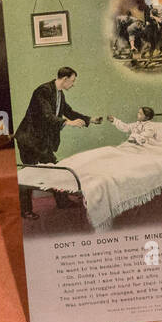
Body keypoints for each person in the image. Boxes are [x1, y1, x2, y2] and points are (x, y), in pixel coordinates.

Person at [14, 67, 98, 217]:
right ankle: (25, 211)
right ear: (64, 79)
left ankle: (62, 201)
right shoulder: (43, 91)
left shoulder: (59, 93)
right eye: (72, 81)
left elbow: (69, 112)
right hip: (29, 139)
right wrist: (68, 123)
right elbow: (46, 115)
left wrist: (89, 119)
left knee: (54, 169)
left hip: (42, 141)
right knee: (28, 173)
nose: (73, 84)